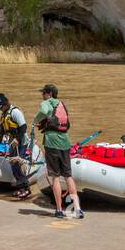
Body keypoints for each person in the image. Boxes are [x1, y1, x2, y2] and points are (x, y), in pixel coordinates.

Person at [36, 83, 82, 219]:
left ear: (49, 94)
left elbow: (43, 112)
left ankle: (60, 209)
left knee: (55, 177)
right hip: (64, 142)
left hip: (51, 142)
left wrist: (35, 121)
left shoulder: (47, 103)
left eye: (43, 93)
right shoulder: (62, 104)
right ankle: (77, 209)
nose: (42, 95)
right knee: (68, 176)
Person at [0, 92, 32, 200]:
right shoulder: (4, 115)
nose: (0, 109)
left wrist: (17, 139)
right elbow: (2, 130)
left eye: (1, 107)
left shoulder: (15, 112)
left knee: (18, 165)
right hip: (12, 143)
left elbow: (23, 127)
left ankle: (27, 189)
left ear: (6, 104)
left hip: (21, 142)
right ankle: (21, 188)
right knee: (13, 165)